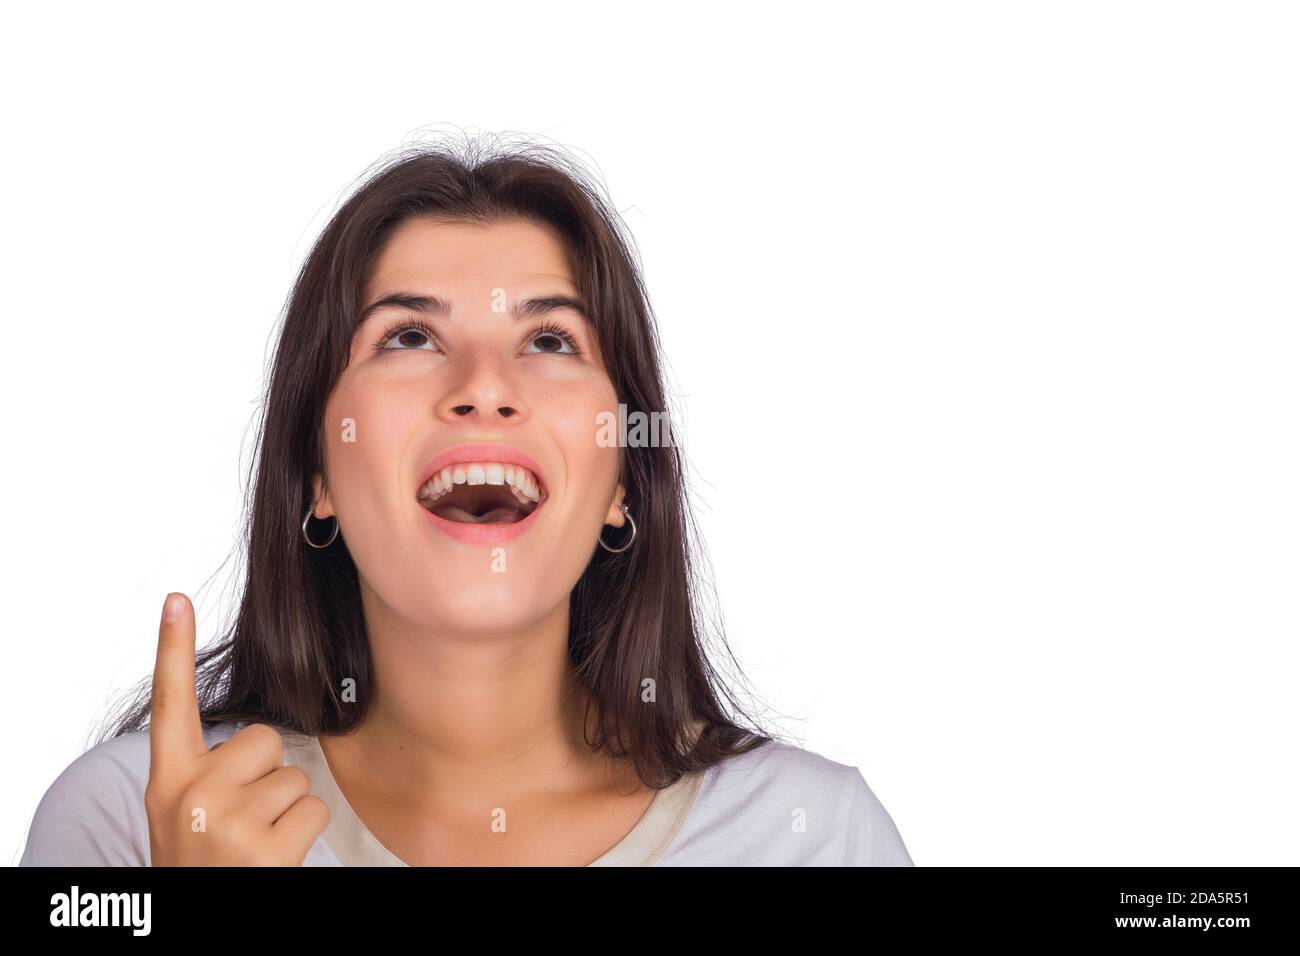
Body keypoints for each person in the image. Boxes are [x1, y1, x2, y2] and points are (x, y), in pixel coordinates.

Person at [19, 137, 913, 866]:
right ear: (317, 474)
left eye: (550, 339)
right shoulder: (126, 825)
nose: (485, 387)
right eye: (409, 335)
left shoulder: (821, 838)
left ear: (624, 481)